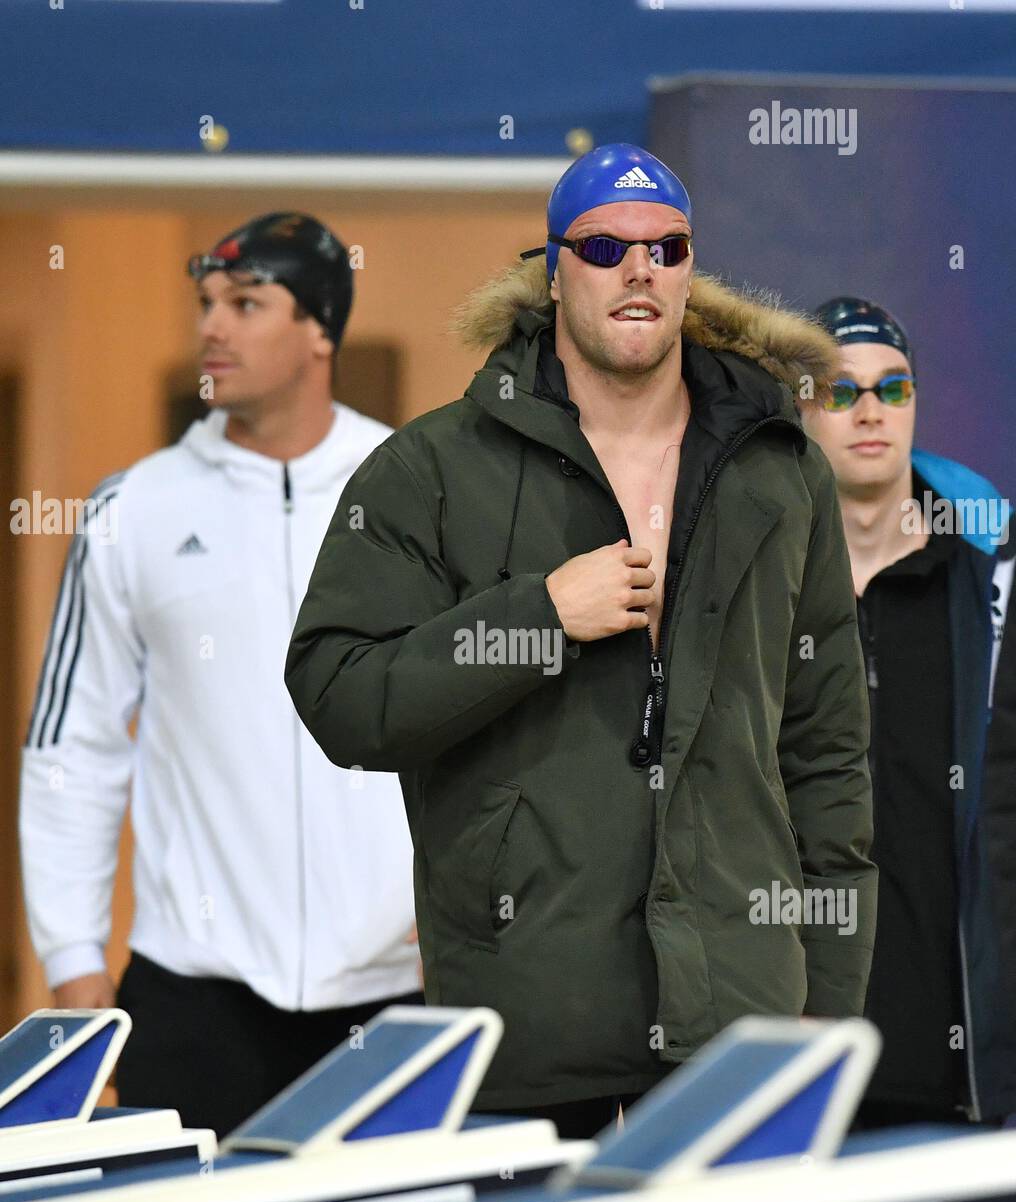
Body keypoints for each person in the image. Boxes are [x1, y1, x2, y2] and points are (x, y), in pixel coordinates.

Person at [286, 145, 877, 1141]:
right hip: (525, 1021)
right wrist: (534, 620)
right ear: (553, 273)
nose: (637, 267)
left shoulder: (776, 472)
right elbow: (342, 695)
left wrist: (827, 994)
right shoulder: (428, 468)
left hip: (739, 1016)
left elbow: (824, 751)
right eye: (604, 246)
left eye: (666, 246)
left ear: (690, 272)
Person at [20, 212, 421, 1138]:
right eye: (205, 303)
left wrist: (463, 925)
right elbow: (70, 753)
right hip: (193, 1002)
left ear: (320, 328)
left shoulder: (412, 484)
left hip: (395, 995)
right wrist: (77, 969)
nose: (213, 327)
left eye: (247, 304)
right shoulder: (136, 508)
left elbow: (483, 723)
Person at [803, 296, 1016, 1127]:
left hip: (962, 1051)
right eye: (841, 390)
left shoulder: (991, 582)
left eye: (892, 389)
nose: (869, 411)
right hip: (806, 1052)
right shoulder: (758, 586)